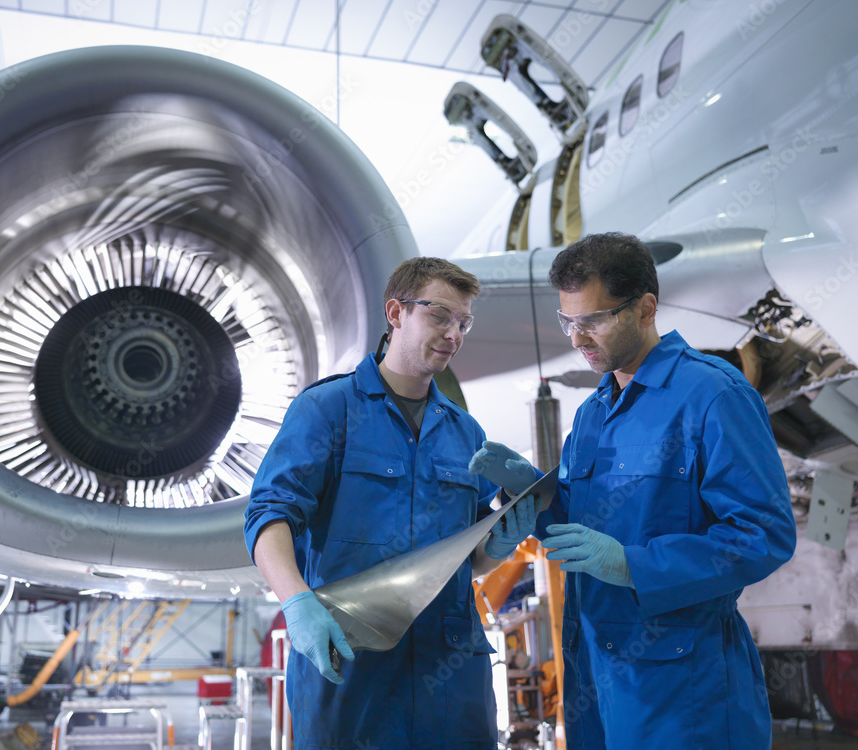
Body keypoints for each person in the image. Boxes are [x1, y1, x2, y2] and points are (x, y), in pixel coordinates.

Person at [469, 232, 797, 749]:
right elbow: (579, 532)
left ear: (646, 308)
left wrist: (634, 565)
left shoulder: (713, 396)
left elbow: (765, 535)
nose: (577, 338)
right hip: (595, 680)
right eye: (567, 321)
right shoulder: (593, 413)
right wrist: (534, 499)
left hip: (686, 691)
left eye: (593, 320)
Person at [244, 256, 540, 749]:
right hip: (353, 666)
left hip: (451, 675)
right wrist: (297, 602)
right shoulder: (328, 410)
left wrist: (501, 539)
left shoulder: (465, 432)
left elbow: (469, 562)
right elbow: (269, 514)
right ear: (396, 312)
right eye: (440, 315)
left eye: (463, 322)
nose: (454, 333)